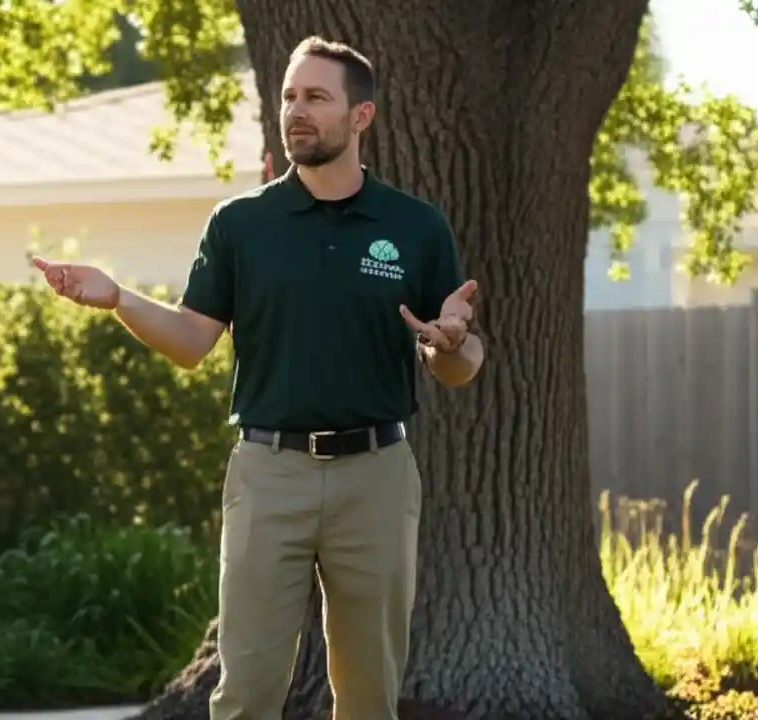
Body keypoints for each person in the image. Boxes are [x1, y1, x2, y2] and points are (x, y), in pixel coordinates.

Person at [33, 35, 483, 720]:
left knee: (369, 696)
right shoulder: (241, 225)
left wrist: (450, 342)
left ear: (361, 115)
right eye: (289, 97)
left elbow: (458, 364)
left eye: (317, 97)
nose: (296, 110)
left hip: (377, 476)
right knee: (246, 693)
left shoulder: (415, 226)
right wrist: (118, 298)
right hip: (268, 474)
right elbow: (192, 342)